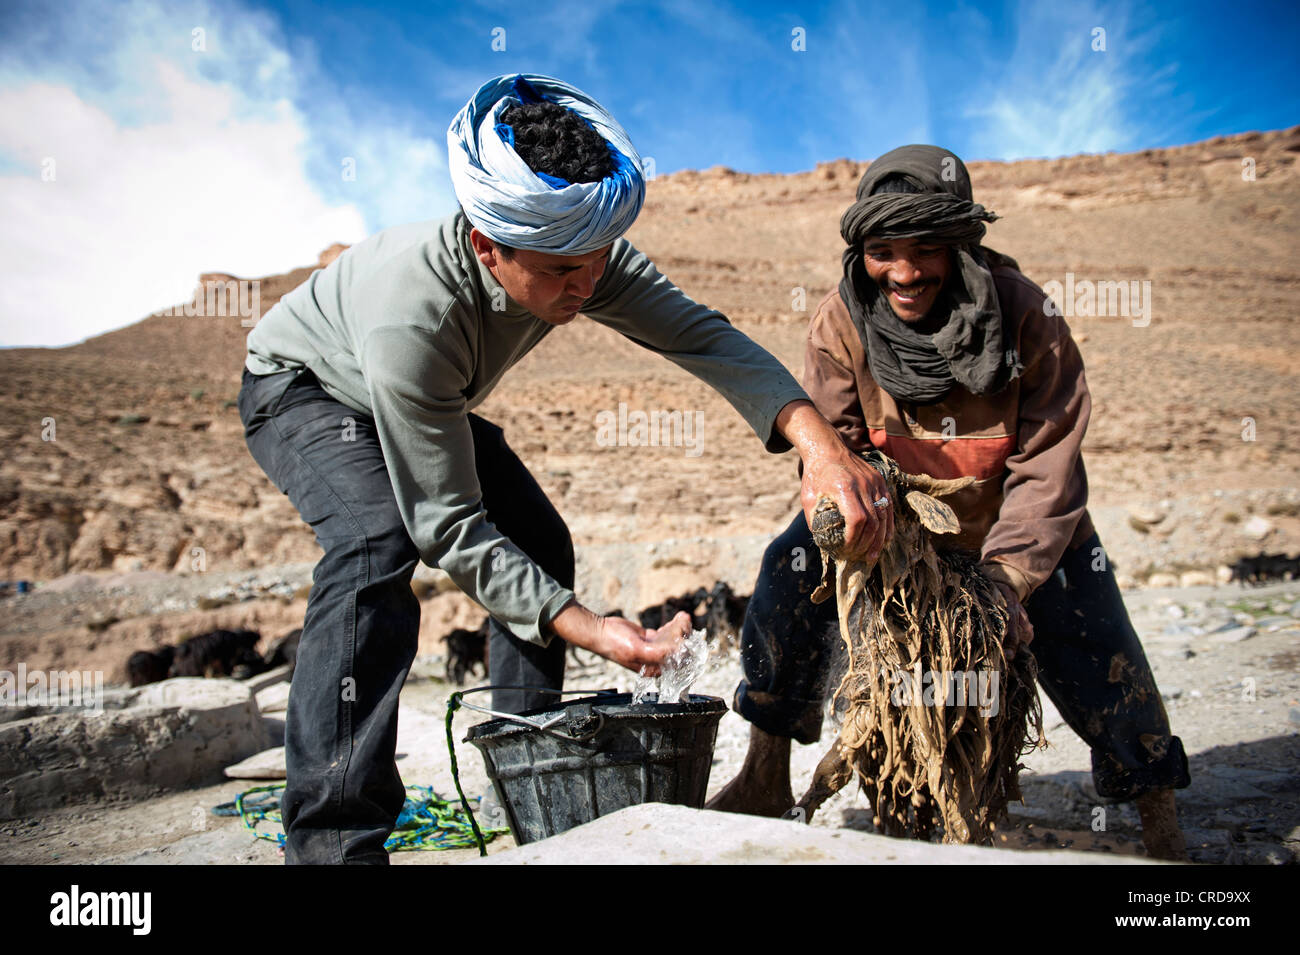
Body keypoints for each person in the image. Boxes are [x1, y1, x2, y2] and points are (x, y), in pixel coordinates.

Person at [236, 73, 890, 864]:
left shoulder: (576, 249)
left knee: (538, 538)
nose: (585, 288)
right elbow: (446, 525)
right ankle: (334, 841)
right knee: (377, 543)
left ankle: (527, 780)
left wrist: (819, 444)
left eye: (595, 262)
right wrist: (599, 634)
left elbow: (700, 336)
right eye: (558, 272)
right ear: (489, 246)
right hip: (304, 390)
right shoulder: (416, 316)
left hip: (417, 398)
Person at [706, 144, 1191, 860]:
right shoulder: (842, 323)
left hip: (1017, 524)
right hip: (897, 529)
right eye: (883, 250)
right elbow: (835, 451)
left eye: (926, 247)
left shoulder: (1027, 316)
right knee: (790, 565)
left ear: (962, 244)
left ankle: (1158, 819)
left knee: (1094, 629)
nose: (904, 272)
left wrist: (1007, 583)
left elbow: (1049, 462)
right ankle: (765, 773)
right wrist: (862, 544)